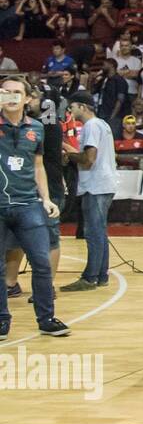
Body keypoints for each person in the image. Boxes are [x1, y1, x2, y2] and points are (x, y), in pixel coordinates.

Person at [0, 77, 67, 339]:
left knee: (41, 262)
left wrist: (47, 199)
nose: (11, 96)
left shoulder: (37, 128)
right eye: (5, 91)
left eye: (17, 92)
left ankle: (47, 318)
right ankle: (2, 320)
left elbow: (38, 166)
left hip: (29, 203)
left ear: (28, 99)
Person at [60, 92, 117, 292]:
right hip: (104, 182)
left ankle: (90, 277)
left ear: (83, 107)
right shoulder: (103, 124)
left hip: (96, 184)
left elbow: (89, 158)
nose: (70, 111)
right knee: (99, 232)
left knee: (93, 232)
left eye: (72, 107)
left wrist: (70, 154)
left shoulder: (91, 126)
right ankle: (101, 275)